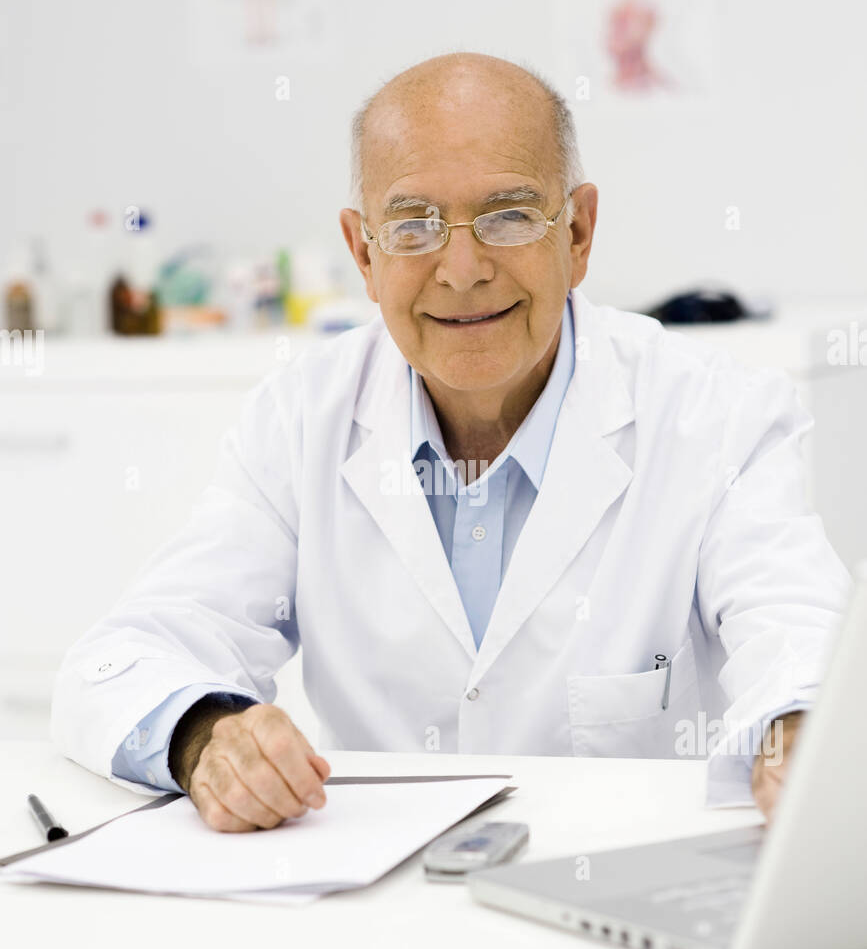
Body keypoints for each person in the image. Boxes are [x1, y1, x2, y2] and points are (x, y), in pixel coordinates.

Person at [52, 52, 850, 832]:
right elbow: (128, 654)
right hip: (377, 910)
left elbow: (796, 627)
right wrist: (204, 734)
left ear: (575, 232)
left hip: (621, 901)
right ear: (363, 252)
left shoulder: (717, 415)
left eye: (507, 215)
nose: (461, 269)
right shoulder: (302, 420)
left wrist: (798, 728)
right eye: (413, 226)